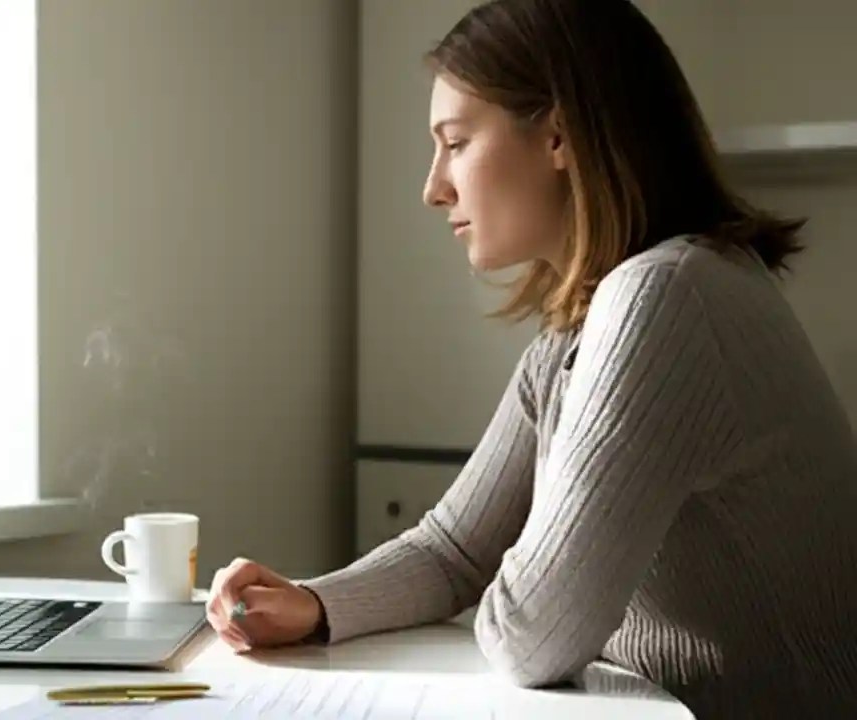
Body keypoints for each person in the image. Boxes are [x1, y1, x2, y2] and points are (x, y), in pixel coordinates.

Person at [205, 0, 857, 716]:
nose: (433, 187)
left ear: (557, 135)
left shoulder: (663, 296)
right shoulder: (580, 329)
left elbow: (530, 634)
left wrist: (535, 569)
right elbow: (455, 549)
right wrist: (315, 603)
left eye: (455, 143)